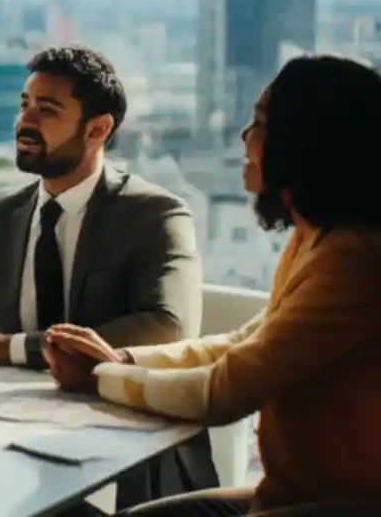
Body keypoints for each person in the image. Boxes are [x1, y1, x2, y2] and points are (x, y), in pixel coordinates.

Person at [45, 56, 381, 515]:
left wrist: (100, 378)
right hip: (284, 496)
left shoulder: (354, 259)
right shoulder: (315, 237)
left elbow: (224, 392)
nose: (246, 136)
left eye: (261, 122)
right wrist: (121, 358)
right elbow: (241, 345)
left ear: (304, 142)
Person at [0, 45, 214, 505]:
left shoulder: (155, 214)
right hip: (15, 430)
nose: (25, 121)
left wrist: (7, 348)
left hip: (126, 436)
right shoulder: (4, 213)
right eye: (24, 104)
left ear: (98, 129)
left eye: (47, 110)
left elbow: (165, 325)